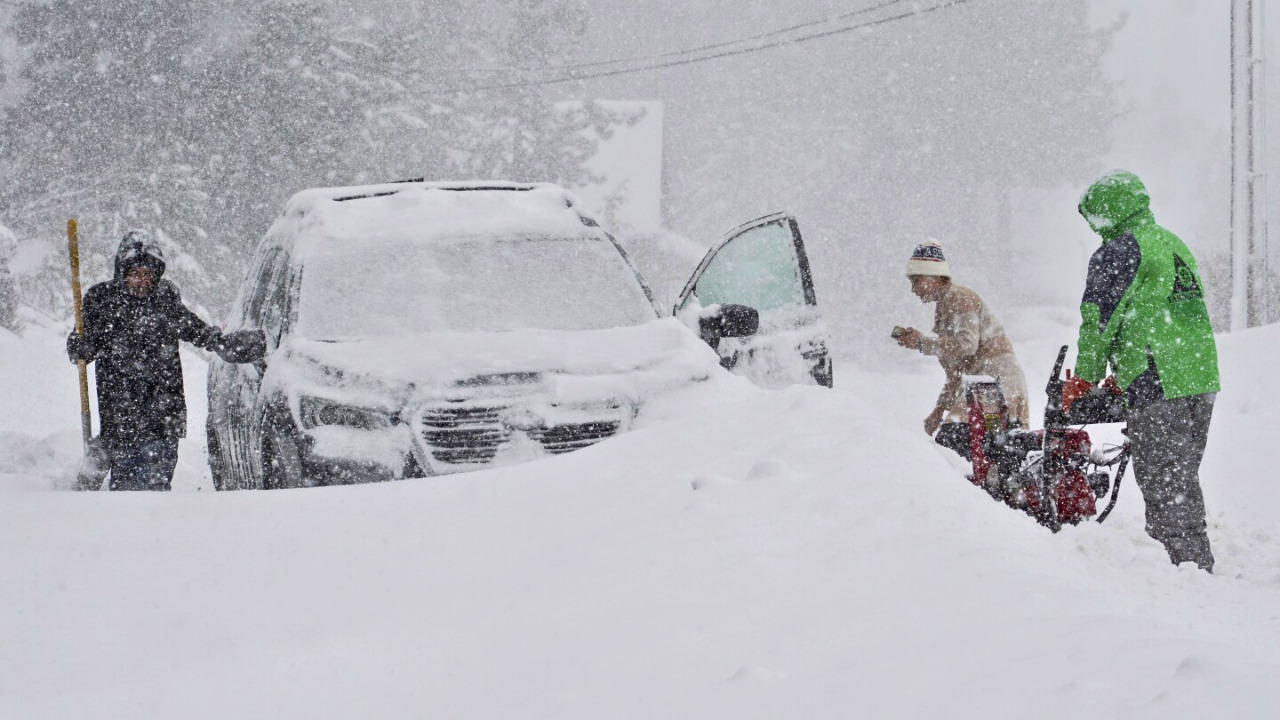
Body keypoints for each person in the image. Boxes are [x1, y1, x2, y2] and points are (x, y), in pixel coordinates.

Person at [1066, 170, 1219, 572]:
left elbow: (1098, 320)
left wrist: (1085, 378)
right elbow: (1165, 311)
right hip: (1199, 375)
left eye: (1094, 216)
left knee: (1166, 480)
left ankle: (1187, 572)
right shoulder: (1172, 243)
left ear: (1107, 211)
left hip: (1159, 375)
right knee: (1180, 476)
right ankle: (1189, 561)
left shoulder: (1120, 249)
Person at [66, 230, 263, 491]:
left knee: (156, 487)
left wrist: (220, 342)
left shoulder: (164, 299)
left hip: (163, 414)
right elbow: (81, 347)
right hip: (120, 414)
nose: (142, 281)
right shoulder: (102, 301)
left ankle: (156, 528)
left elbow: (193, 328)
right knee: (125, 491)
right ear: (122, 273)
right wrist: (80, 345)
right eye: (135, 274)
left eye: (147, 274)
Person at [894, 240, 1030, 460]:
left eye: (917, 281)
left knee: (954, 445)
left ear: (934, 276)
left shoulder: (959, 297)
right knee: (991, 455)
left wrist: (922, 343)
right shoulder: (945, 305)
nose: (913, 289)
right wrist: (940, 409)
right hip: (986, 389)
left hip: (997, 384)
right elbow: (959, 370)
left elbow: (967, 345)